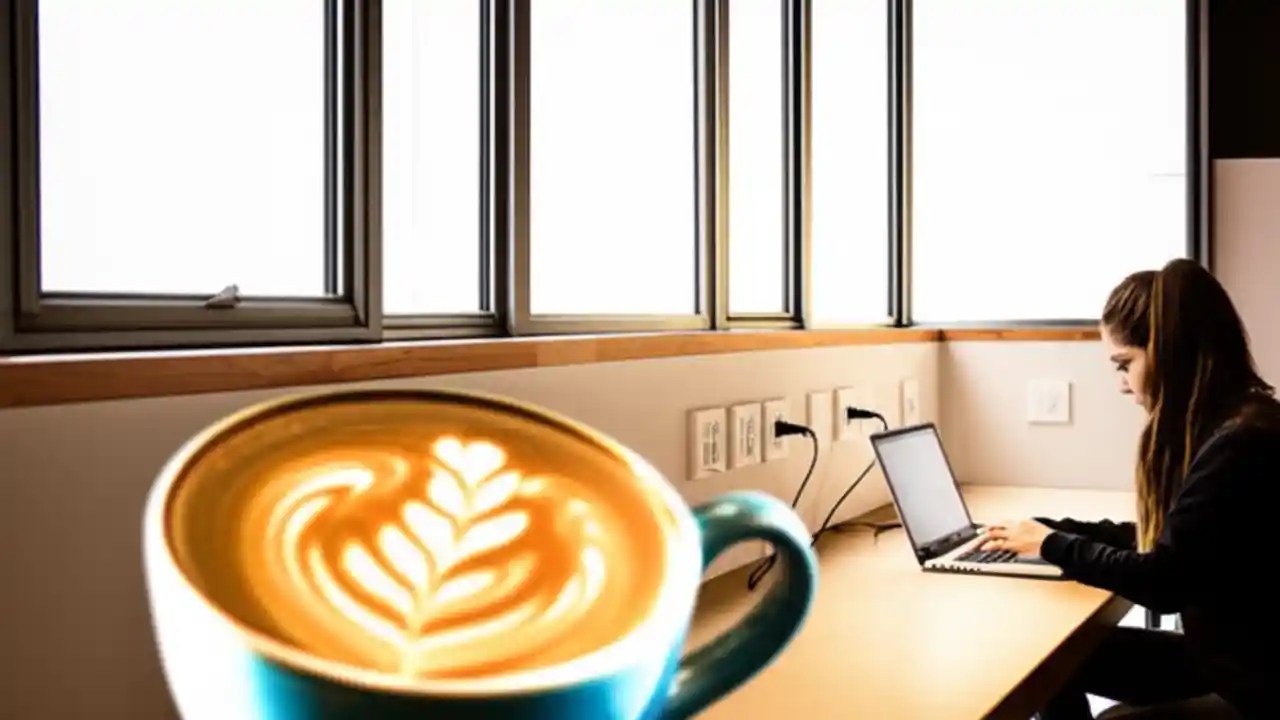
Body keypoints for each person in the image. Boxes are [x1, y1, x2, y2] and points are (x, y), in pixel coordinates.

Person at [981, 258, 1280, 719]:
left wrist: (1054, 544)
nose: (1123, 385)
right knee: (1053, 657)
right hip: (1233, 660)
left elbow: (1163, 582)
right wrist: (1049, 531)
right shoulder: (1239, 421)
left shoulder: (1239, 444)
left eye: (1125, 364)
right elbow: (1173, 544)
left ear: (1170, 353)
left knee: (1091, 696)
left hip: (1252, 688)